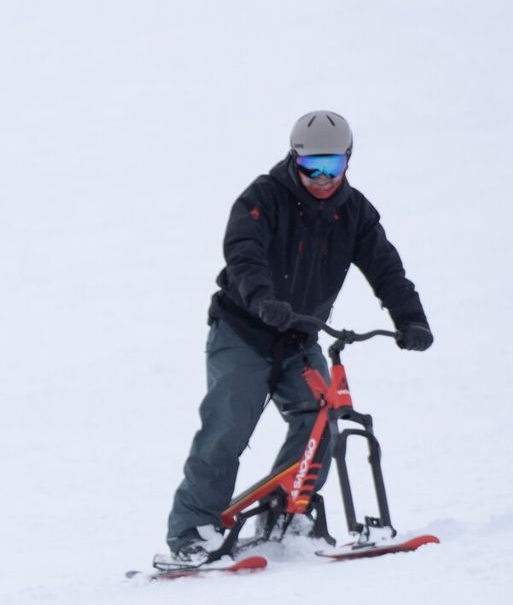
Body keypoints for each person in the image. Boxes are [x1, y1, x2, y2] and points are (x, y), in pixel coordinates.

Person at [160, 111, 433, 564]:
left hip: (298, 338)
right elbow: (244, 253)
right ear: (295, 159)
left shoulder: (356, 213)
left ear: (348, 161)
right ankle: (191, 534)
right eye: (311, 168)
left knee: (320, 421)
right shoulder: (263, 198)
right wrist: (262, 298)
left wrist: (412, 320)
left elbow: (386, 268)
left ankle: (285, 516)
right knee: (227, 428)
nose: (322, 179)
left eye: (333, 168)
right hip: (243, 330)